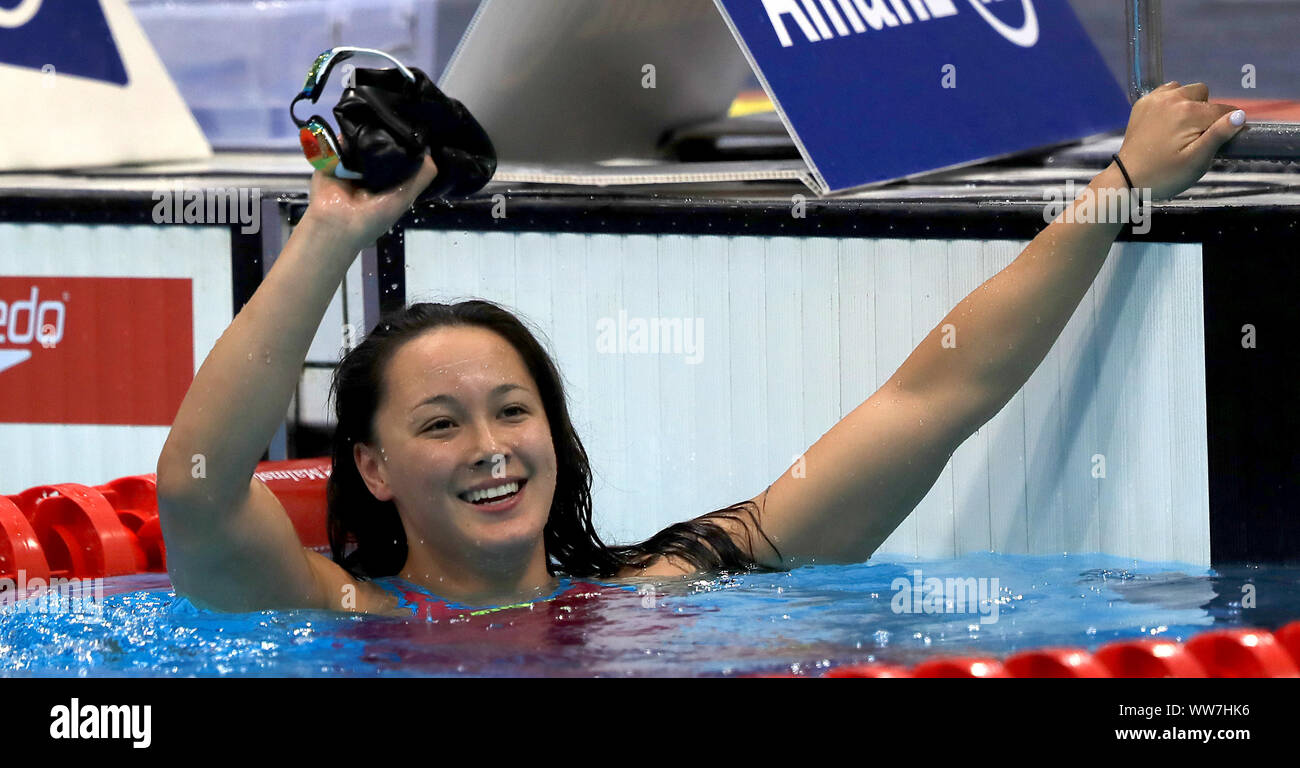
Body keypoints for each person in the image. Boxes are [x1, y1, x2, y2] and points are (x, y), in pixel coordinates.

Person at [156, 82, 1246, 615]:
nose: (492, 447)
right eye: (439, 423)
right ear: (373, 467)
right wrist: (335, 235)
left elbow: (936, 395)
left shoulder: (671, 588)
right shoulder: (336, 616)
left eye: (512, 409)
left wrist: (1121, 190)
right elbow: (199, 494)